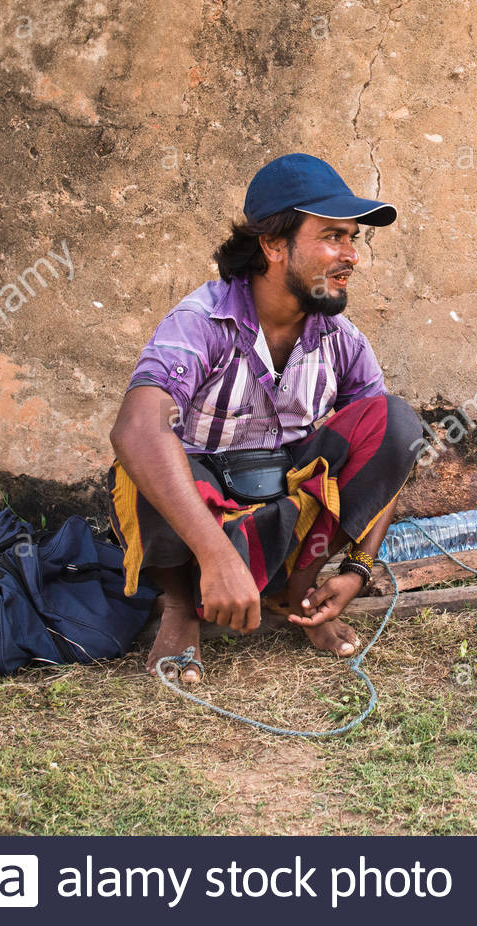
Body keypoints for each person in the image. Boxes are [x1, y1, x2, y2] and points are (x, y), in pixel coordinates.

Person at [108, 153, 420, 684]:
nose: (351, 257)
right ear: (273, 245)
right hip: (203, 526)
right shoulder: (201, 322)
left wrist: (359, 569)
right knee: (144, 461)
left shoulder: (342, 340)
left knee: (395, 423)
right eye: (332, 237)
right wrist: (215, 555)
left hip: (283, 514)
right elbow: (134, 429)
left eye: (353, 239)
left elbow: (386, 456)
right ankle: (182, 606)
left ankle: (296, 593)